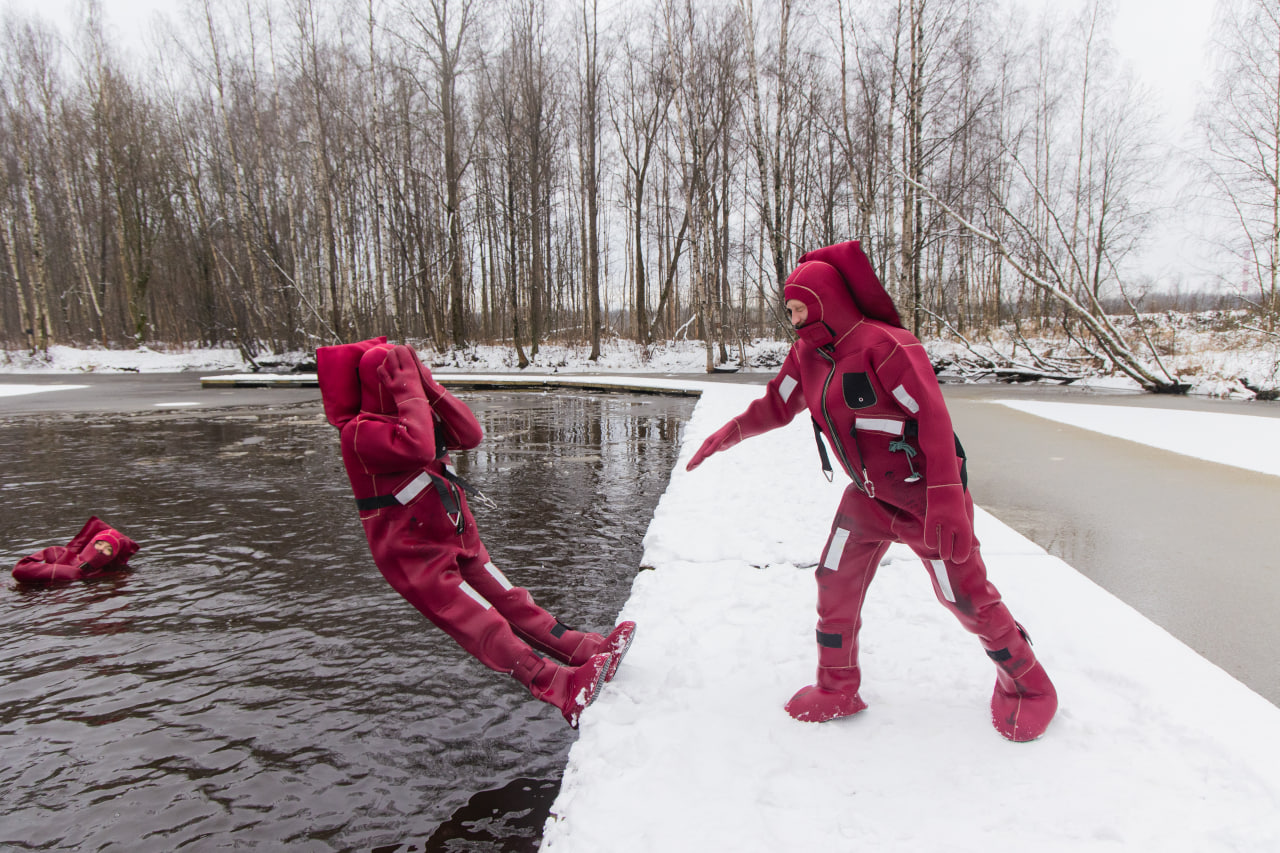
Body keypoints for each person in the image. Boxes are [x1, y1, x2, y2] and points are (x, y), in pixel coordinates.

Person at [685, 241, 1057, 742]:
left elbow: (933, 419)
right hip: (868, 496)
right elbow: (777, 405)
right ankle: (837, 685)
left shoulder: (887, 346)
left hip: (926, 498)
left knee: (962, 595)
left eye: (797, 308)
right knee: (833, 578)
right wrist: (727, 434)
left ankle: (1029, 685)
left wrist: (947, 495)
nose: (791, 320)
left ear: (822, 301)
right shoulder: (807, 354)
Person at [316, 337, 635, 728]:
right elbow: (417, 448)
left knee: (513, 603)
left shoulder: (415, 414)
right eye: (402, 378)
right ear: (383, 383)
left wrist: (428, 387)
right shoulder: (359, 435)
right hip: (415, 558)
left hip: (457, 537)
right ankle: (560, 688)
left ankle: (583, 650)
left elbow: (470, 435)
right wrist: (409, 390)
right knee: (484, 623)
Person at [13, 517, 138, 584]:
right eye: (99, 544)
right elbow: (19, 570)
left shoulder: (107, 575)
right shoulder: (59, 553)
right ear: (91, 543)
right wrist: (65, 572)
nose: (101, 550)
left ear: (112, 556)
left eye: (108, 549)